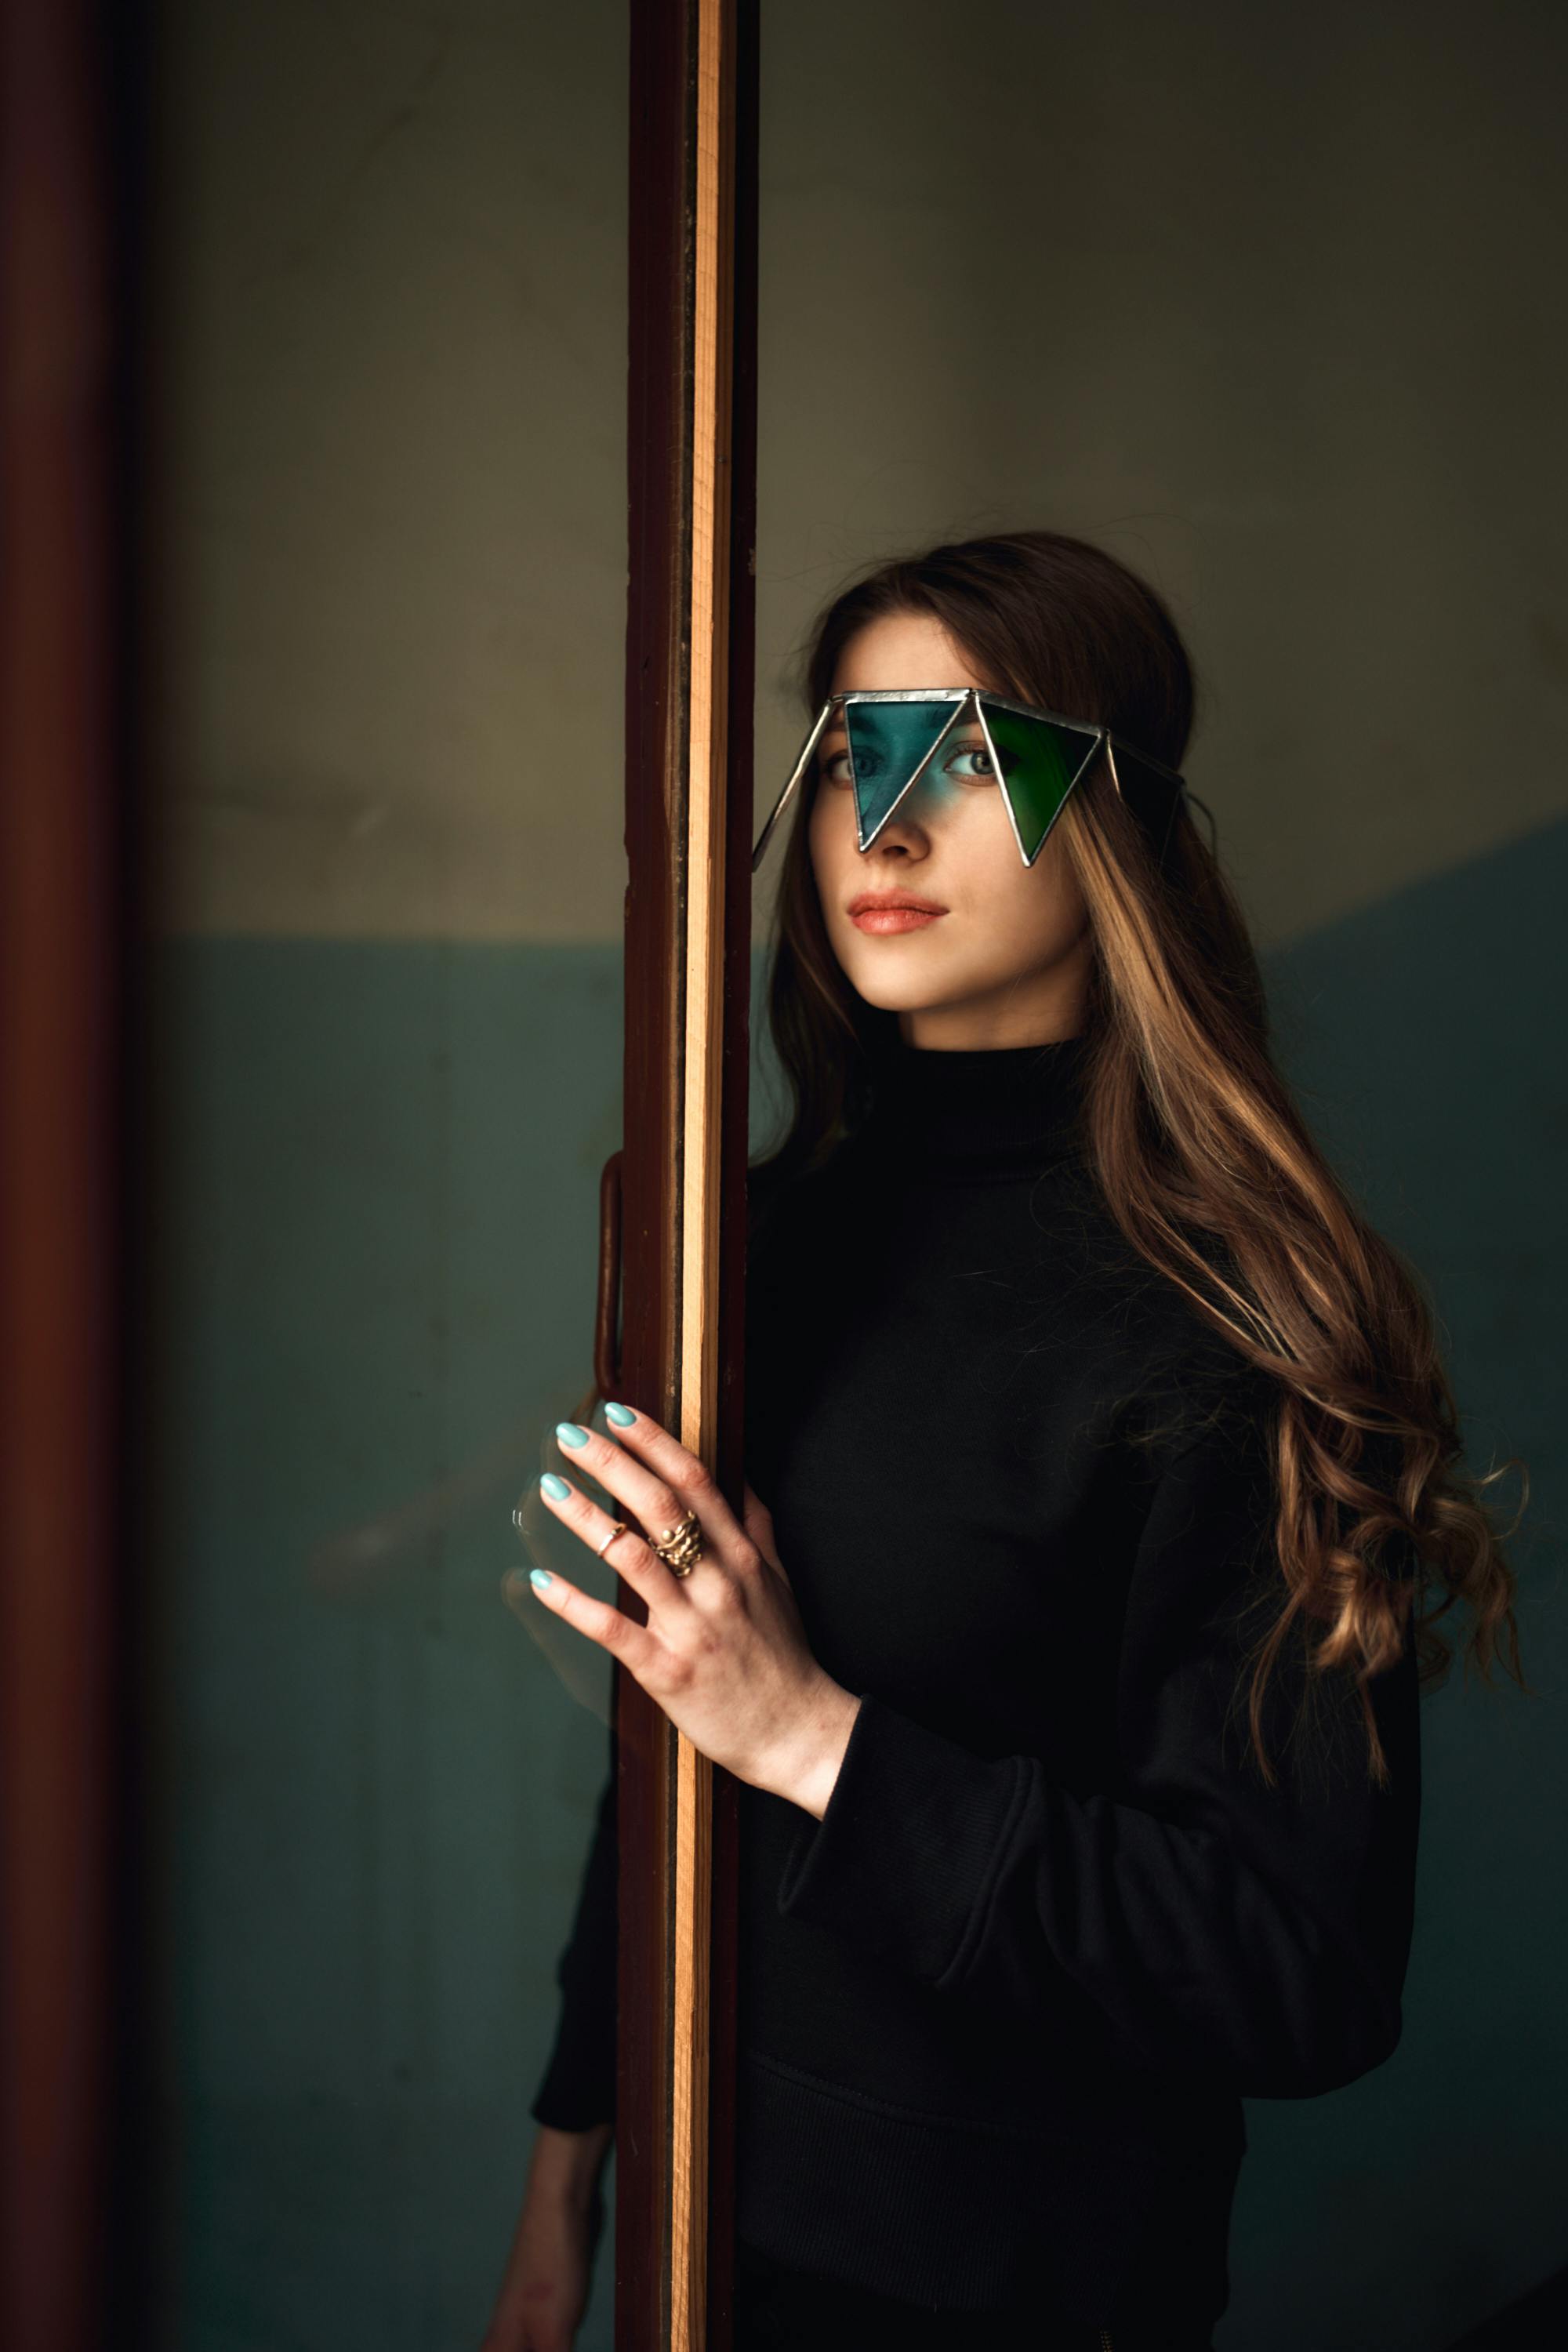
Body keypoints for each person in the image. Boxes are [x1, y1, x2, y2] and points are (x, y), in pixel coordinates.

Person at [481, 531, 1523, 2351]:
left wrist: (816, 1739)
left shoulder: (1226, 1323)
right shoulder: (746, 1251)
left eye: (968, 756)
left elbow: (1300, 1972)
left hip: (1012, 2294)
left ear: (1116, 822)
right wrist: (566, 2186)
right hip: (692, 2245)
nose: (884, 829)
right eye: (851, 752)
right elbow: (670, 1734)